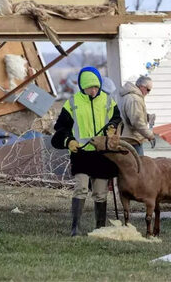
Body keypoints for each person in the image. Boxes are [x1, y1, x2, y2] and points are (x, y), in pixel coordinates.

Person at [51, 67, 122, 236]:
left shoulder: (108, 101)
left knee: (100, 193)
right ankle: (75, 228)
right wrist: (69, 141)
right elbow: (60, 128)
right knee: (81, 188)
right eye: (90, 87)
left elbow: (117, 118)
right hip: (81, 154)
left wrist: (112, 127)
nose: (94, 90)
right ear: (82, 87)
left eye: (96, 87)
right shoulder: (72, 103)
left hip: (102, 154)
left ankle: (100, 228)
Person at [118, 76, 155, 155]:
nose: (148, 93)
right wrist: (150, 135)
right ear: (142, 87)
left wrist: (147, 117)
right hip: (132, 140)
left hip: (127, 139)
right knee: (139, 165)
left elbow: (130, 116)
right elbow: (137, 122)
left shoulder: (129, 96)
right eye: (148, 90)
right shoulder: (134, 99)